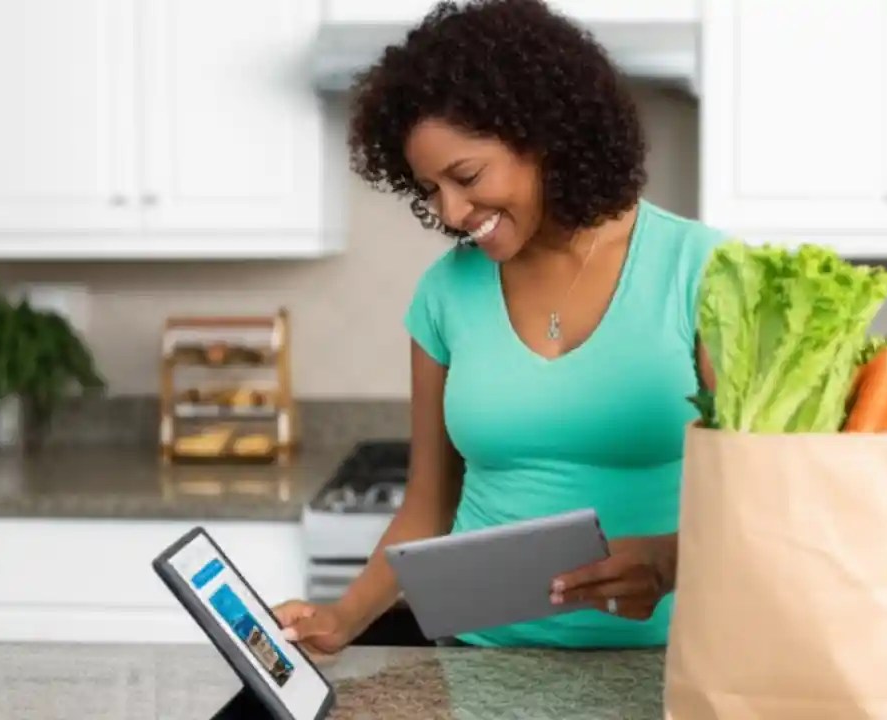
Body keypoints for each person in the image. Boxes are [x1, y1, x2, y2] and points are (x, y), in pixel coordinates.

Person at [273, 0, 722, 651]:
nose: (451, 212)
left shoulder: (702, 270)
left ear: (545, 138)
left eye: (466, 176)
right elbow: (428, 505)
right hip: (483, 659)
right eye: (428, 189)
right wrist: (343, 617)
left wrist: (672, 559)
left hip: (669, 658)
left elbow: (764, 496)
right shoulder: (445, 293)